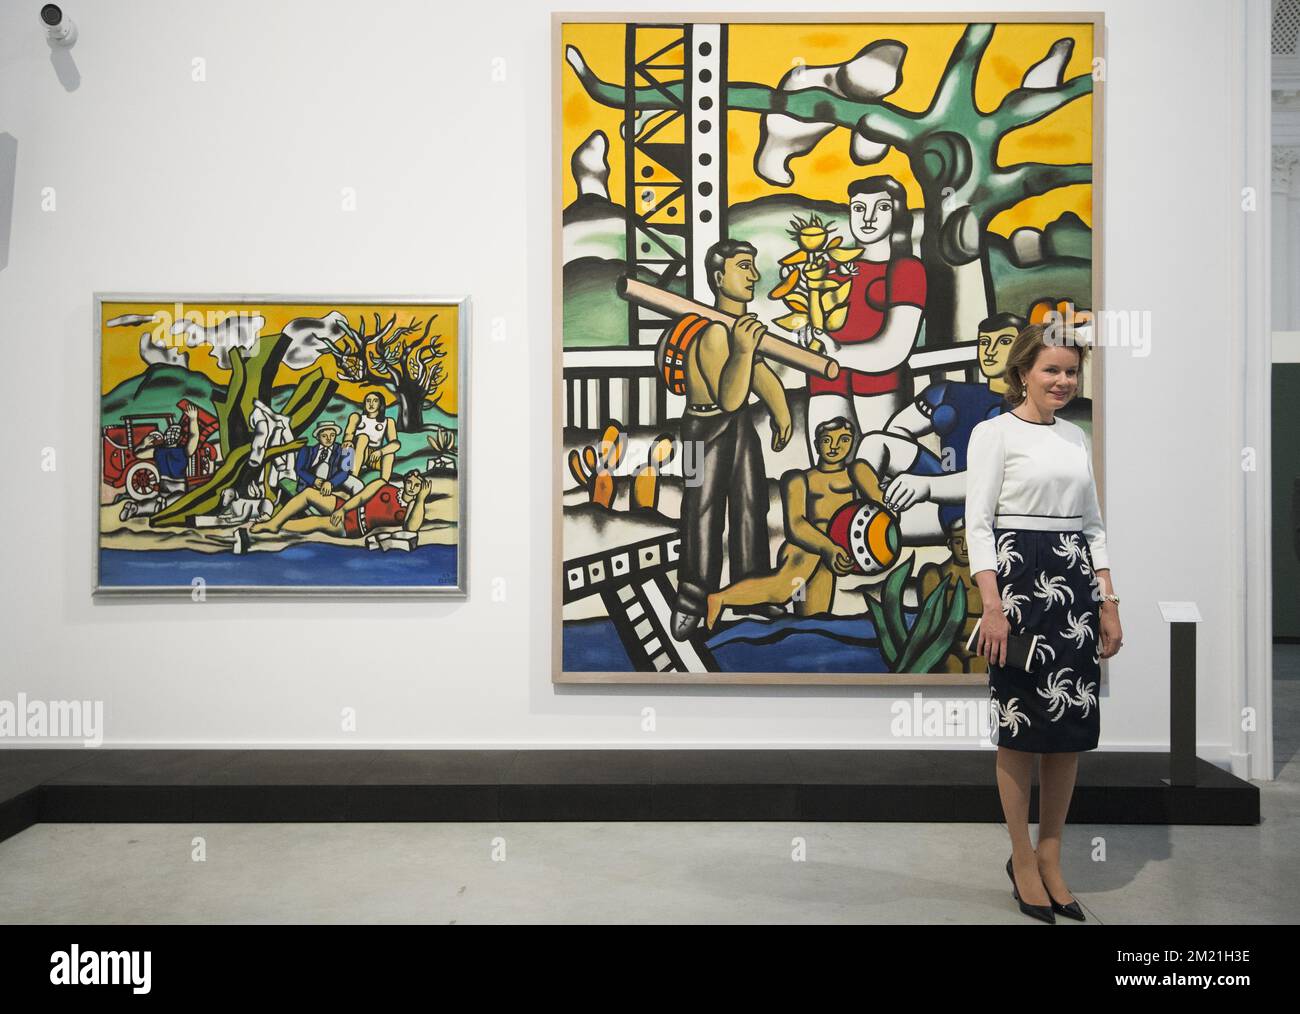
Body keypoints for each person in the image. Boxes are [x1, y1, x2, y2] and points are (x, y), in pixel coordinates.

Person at [964, 322, 1124, 924]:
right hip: (1018, 583)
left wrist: (1108, 601)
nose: (1063, 380)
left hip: (1073, 586)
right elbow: (978, 526)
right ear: (1023, 372)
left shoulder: (1076, 437)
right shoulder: (992, 434)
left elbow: (1093, 525)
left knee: (1069, 729)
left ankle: (1050, 856)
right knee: (1020, 728)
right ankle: (1020, 860)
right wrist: (994, 605)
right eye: (1051, 369)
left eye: (1071, 371)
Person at [669, 238, 793, 640]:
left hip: (737, 426)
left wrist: (781, 409)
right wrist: (742, 351)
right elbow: (730, 395)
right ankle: (692, 598)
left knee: (750, 503)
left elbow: (757, 373)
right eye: (744, 267)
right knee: (698, 512)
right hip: (698, 431)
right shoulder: (714, 333)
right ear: (720, 277)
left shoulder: (738, 331)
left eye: (753, 266)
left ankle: (751, 587)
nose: (754, 276)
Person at [704, 417, 884, 627]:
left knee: (813, 621)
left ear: (852, 444)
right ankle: (720, 598)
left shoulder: (856, 472)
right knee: (782, 590)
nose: (835, 447)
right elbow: (796, 525)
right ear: (817, 444)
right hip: (806, 546)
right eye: (827, 440)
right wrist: (827, 546)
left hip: (833, 553)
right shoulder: (799, 479)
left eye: (844, 440)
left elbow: (881, 510)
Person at [799, 175, 926, 458]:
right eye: (858, 208)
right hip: (825, 381)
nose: (867, 217)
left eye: (881, 208)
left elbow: (896, 347)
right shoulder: (830, 266)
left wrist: (835, 354)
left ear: (898, 213)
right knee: (827, 471)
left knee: (879, 475)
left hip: (879, 383)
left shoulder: (907, 269)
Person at [249, 470, 431, 541]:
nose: (412, 487)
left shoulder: (413, 509)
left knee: (316, 522)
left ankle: (275, 526)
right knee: (309, 494)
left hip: (355, 526)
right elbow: (360, 498)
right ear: (405, 481)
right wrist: (343, 509)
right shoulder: (383, 484)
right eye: (410, 482)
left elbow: (412, 528)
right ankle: (272, 523)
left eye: (416, 486)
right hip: (348, 507)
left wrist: (422, 498)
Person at [118, 404, 200, 520]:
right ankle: (163, 506)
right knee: (180, 499)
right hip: (178, 487)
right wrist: (193, 419)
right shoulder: (183, 451)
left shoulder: (158, 451)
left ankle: (136, 507)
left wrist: (143, 443)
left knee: (157, 499)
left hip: (163, 485)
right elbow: (194, 435)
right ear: (179, 438)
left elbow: (137, 454)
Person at [294, 420, 362, 496]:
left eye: (332, 435)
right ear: (317, 437)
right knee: (323, 466)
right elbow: (299, 469)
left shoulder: (344, 449)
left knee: (358, 485)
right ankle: (337, 494)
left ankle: (358, 506)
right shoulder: (307, 450)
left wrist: (331, 482)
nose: (329, 439)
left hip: (334, 480)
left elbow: (345, 471)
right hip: (313, 482)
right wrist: (313, 480)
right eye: (324, 436)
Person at [344, 392, 400, 482]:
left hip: (374, 456)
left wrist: (380, 452)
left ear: (380, 404)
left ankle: (383, 482)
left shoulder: (388, 421)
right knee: (363, 438)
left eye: (375, 401)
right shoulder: (357, 417)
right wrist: (348, 441)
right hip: (353, 453)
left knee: (390, 454)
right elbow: (348, 434)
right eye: (368, 401)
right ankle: (353, 477)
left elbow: (396, 444)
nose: (371, 404)